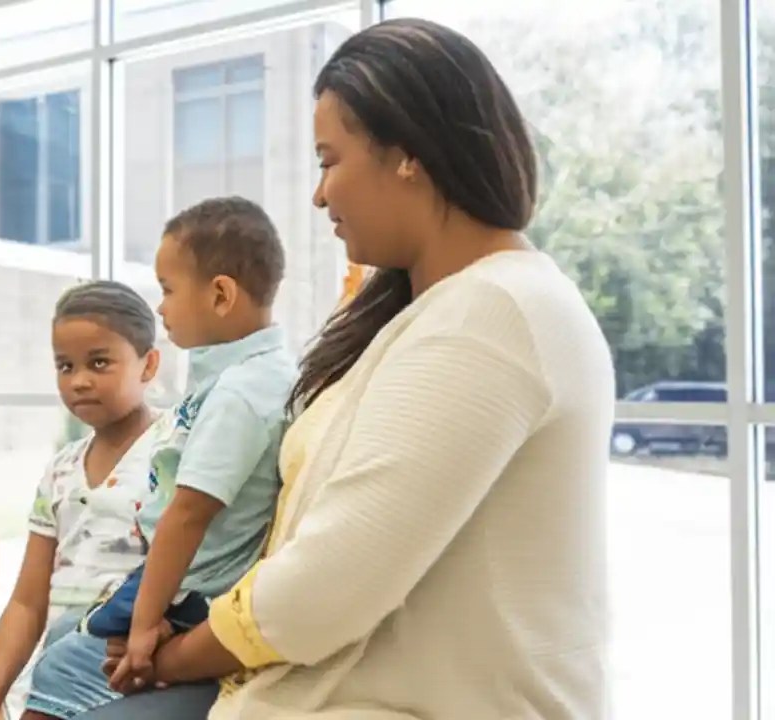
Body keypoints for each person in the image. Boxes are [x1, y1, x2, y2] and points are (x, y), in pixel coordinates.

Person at [86, 18, 615, 719]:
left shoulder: (492, 315)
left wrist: (168, 658)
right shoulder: (441, 311)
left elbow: (326, 587)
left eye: (330, 162)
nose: (319, 195)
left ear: (408, 155)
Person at [23, 197, 298, 720]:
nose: (161, 307)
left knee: (56, 669)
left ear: (220, 294)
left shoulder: (242, 393)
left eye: (168, 290)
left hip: (190, 593)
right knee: (63, 632)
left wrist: (146, 625)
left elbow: (189, 513)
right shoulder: (243, 378)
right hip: (181, 585)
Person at [0, 281, 164, 720]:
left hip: (132, 677)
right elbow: (27, 602)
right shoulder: (61, 470)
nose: (79, 381)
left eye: (99, 363)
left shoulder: (174, 453)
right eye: (65, 366)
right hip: (55, 682)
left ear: (149, 364)